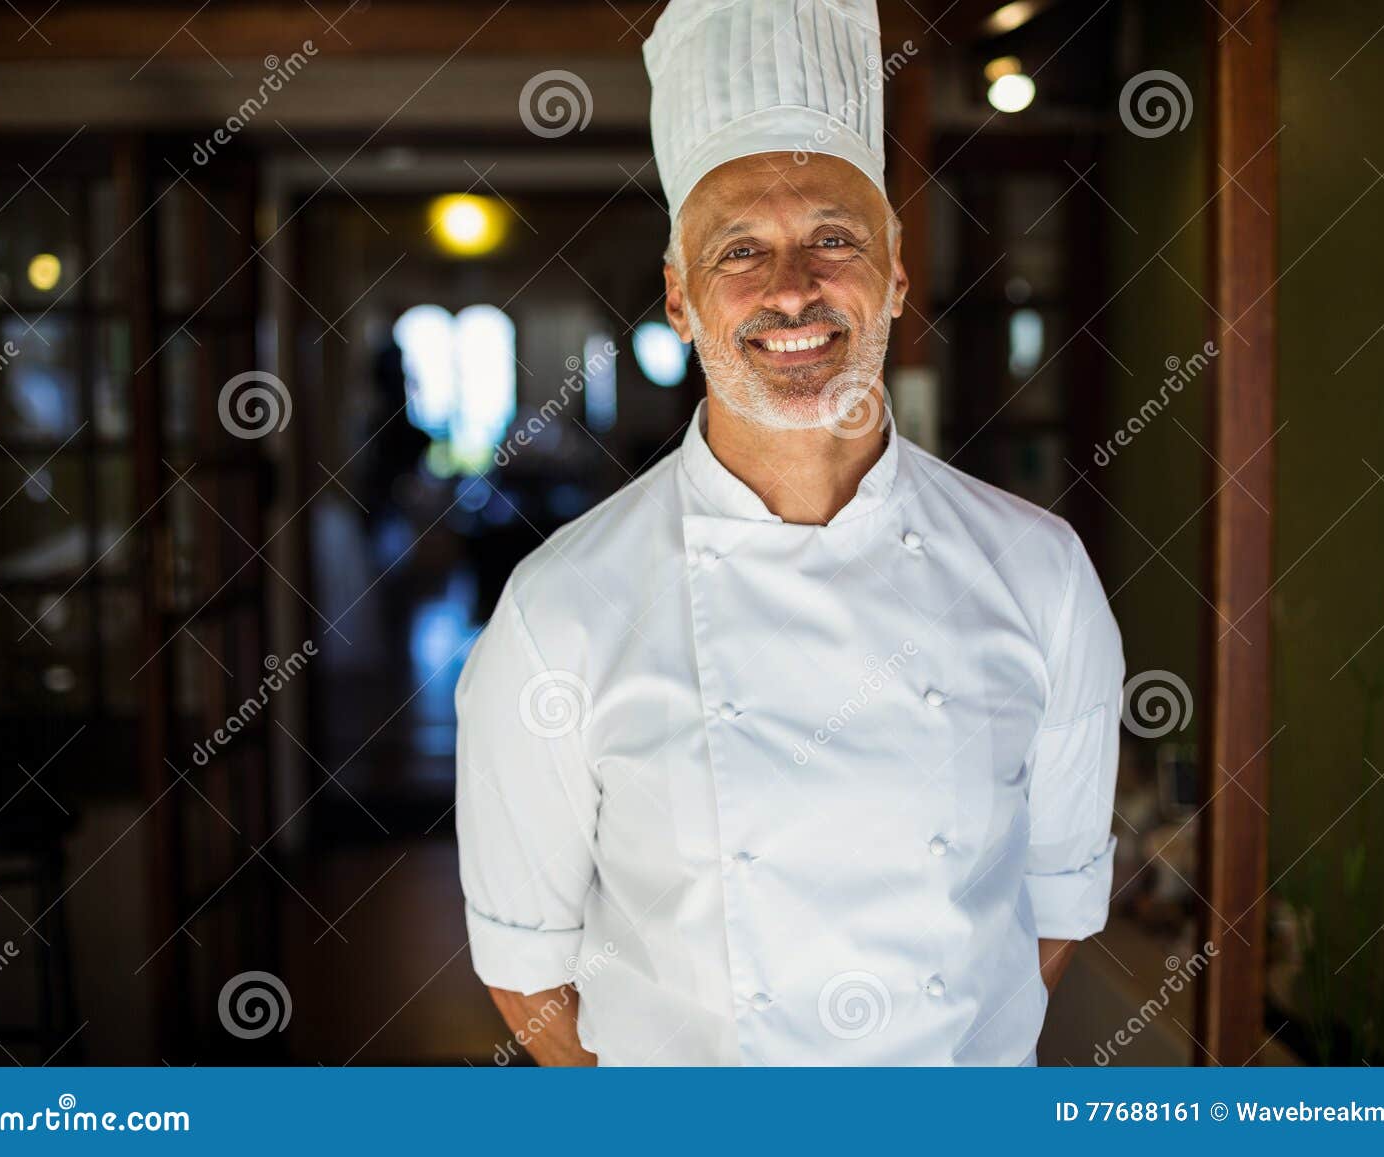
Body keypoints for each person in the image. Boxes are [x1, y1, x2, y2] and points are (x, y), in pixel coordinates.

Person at [455, 0, 1124, 1065]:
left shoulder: (1038, 571)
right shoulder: (560, 610)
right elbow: (524, 967)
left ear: (897, 273)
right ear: (679, 298)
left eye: (833, 237)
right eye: (738, 251)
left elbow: (1056, 904)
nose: (791, 290)